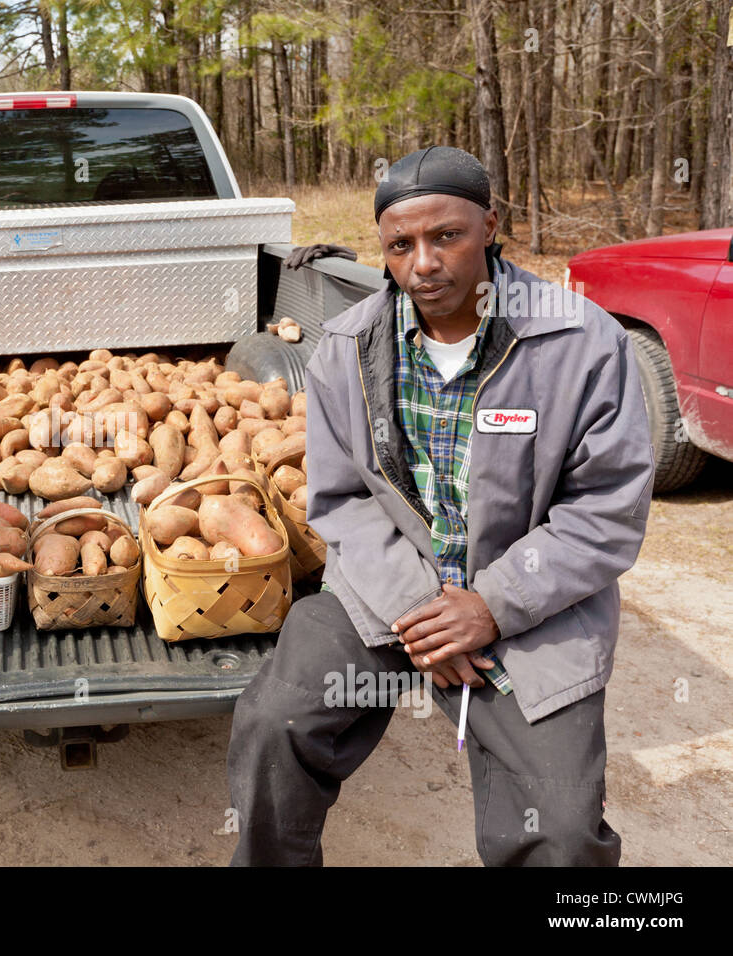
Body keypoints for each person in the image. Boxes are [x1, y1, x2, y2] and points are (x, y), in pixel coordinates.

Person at [227, 146, 655, 866]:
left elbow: (605, 510)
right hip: (391, 591)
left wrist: (488, 607)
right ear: (385, 251)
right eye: (402, 244)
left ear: (490, 225)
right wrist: (424, 616)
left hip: (530, 604)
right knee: (275, 721)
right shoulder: (348, 347)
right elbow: (341, 499)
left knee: (562, 831)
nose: (424, 262)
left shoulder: (582, 343)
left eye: (446, 236)